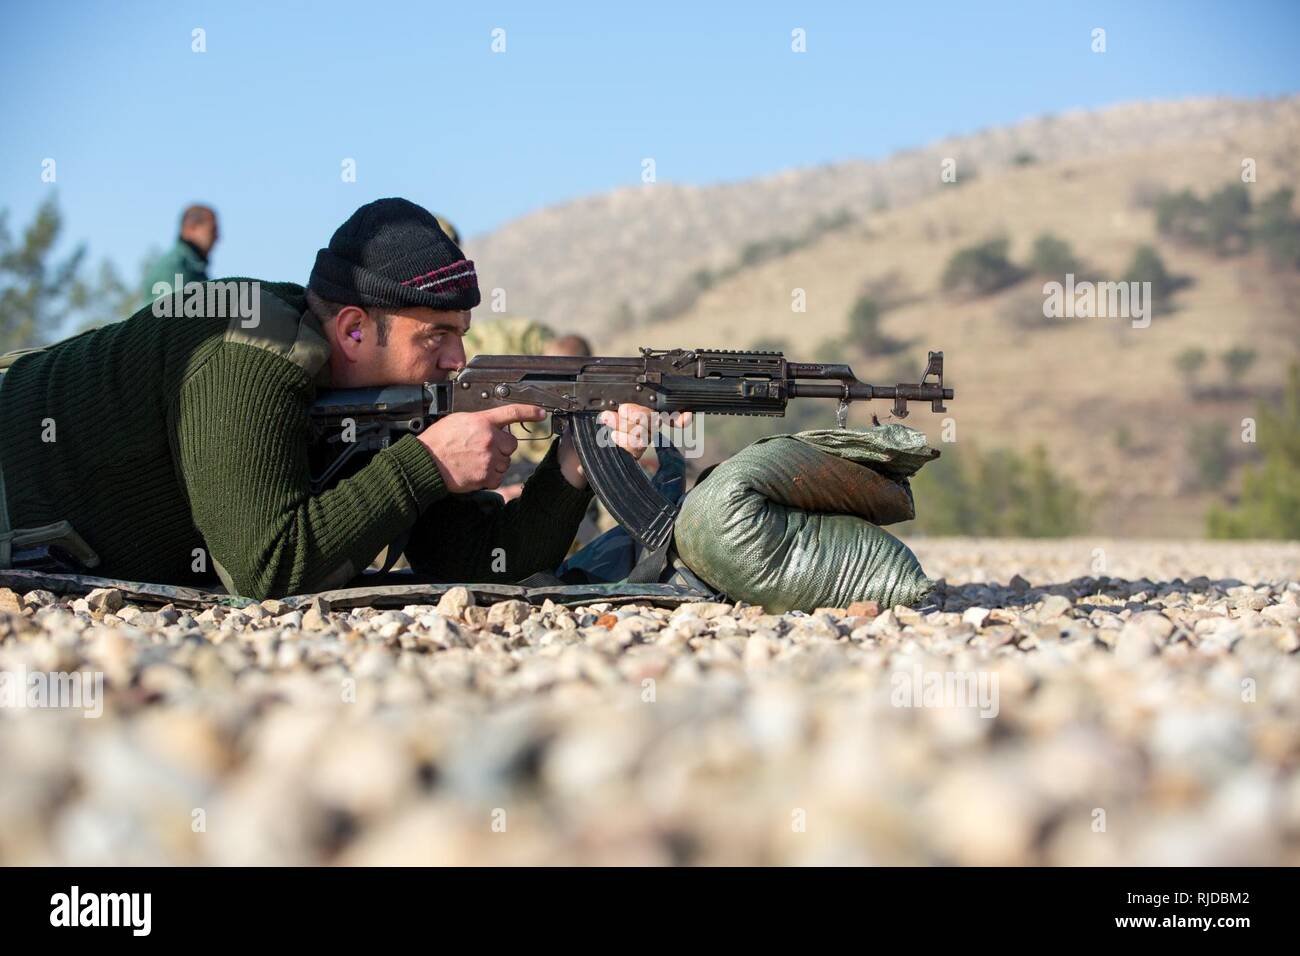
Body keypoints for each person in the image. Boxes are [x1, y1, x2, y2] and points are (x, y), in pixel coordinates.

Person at [0, 198, 656, 599]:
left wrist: (573, 466)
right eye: (437, 337)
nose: (457, 360)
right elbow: (266, 570)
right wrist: (427, 464)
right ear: (351, 328)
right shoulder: (249, 344)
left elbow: (481, 562)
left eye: (462, 336)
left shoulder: (384, 398)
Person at [141, 204, 219, 302]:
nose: (217, 237)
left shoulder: (195, 268)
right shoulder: (173, 266)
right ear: (191, 228)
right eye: (213, 231)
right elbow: (172, 312)